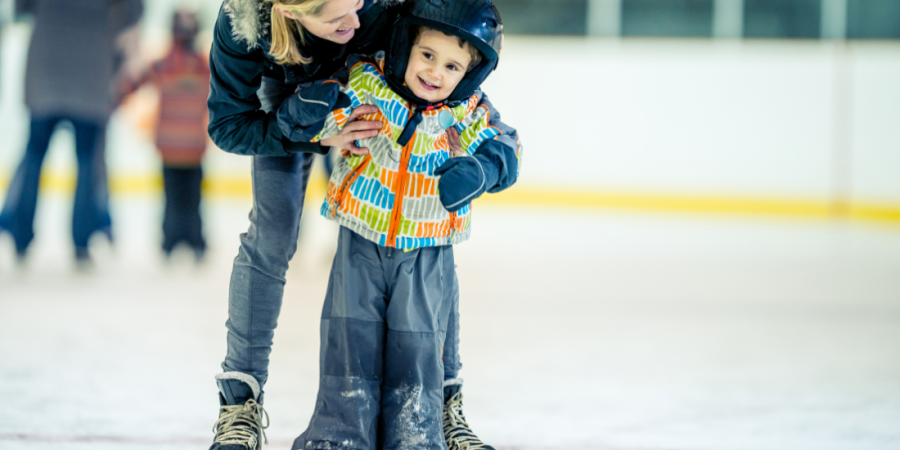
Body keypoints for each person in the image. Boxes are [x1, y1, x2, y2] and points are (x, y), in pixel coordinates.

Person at [206, 1, 519, 449]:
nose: (356, 21)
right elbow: (229, 125)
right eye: (339, 18)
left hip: (373, 77)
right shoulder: (245, 26)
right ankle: (240, 403)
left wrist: (485, 157)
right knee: (270, 239)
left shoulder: (380, 6)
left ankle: (444, 406)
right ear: (290, 12)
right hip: (290, 98)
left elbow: (452, 48)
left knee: (429, 242)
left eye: (358, 4)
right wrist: (310, 132)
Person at [0, 0, 143, 265]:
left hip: (47, 63)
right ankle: (82, 241)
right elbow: (132, 12)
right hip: (92, 65)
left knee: (35, 154)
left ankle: (20, 236)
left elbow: (22, 8)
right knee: (87, 160)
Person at [118, 10, 210, 259]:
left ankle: (170, 241)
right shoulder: (203, 66)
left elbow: (132, 82)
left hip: (169, 145)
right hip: (194, 146)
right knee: (193, 198)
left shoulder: (164, 63)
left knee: (172, 197)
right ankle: (195, 241)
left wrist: (115, 97)